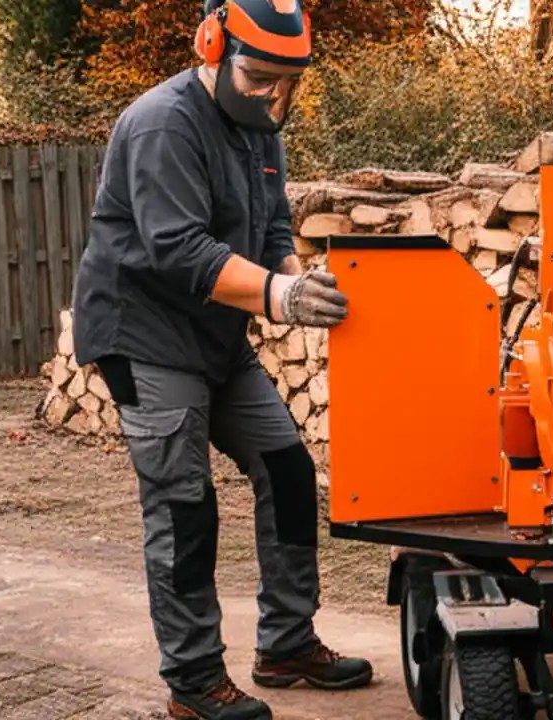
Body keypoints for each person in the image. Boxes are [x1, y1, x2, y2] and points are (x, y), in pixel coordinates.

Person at [71, 1, 369, 717]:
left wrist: (296, 278)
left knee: (290, 472)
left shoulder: (259, 130)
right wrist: (279, 296)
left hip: (214, 339)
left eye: (287, 82)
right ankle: (194, 682)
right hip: (142, 335)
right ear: (212, 47)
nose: (273, 95)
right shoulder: (162, 123)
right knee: (185, 507)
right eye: (259, 76)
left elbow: (270, 226)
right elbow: (177, 248)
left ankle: (287, 642)